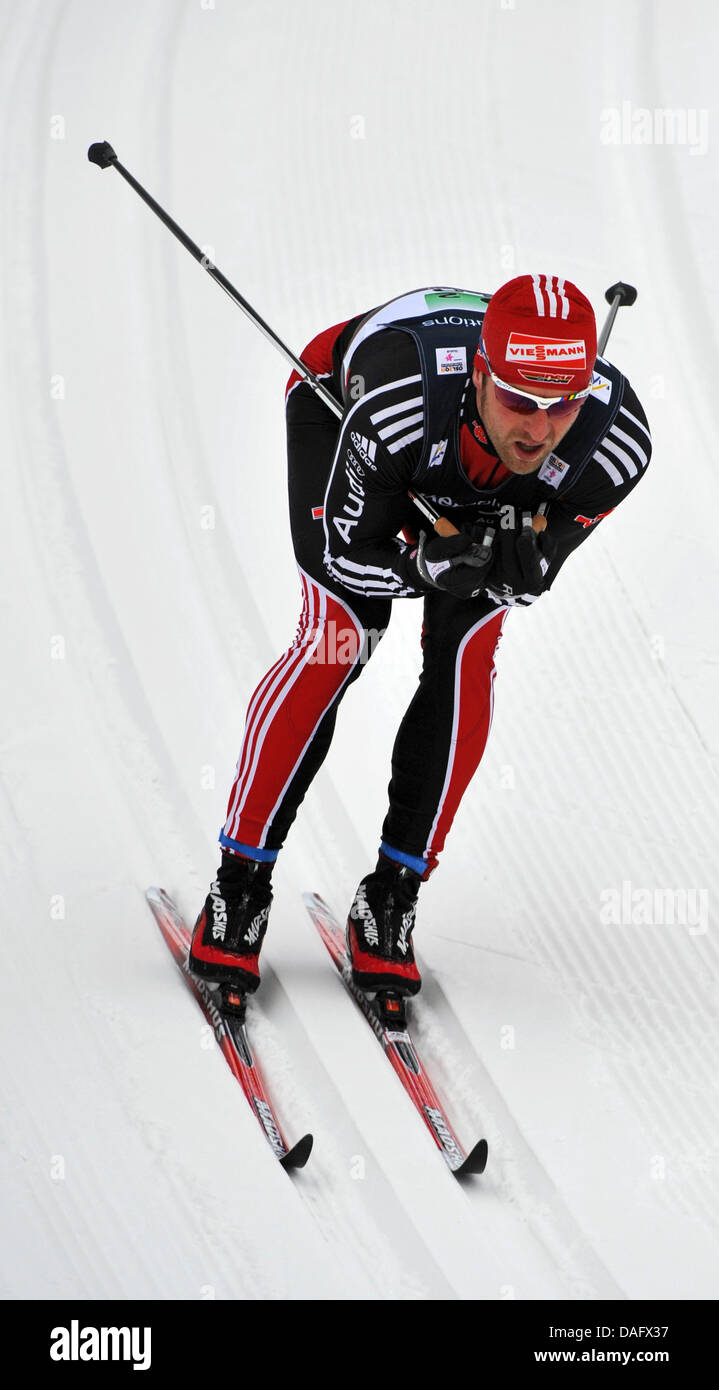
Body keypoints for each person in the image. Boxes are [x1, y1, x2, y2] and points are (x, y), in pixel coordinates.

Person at [189, 275, 651, 1000]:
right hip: (345, 409)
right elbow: (340, 555)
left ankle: (392, 895)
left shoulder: (610, 443)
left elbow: (533, 571)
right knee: (342, 634)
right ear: (480, 372)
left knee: (466, 649)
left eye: (560, 404)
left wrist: (518, 572)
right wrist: (418, 566)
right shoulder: (396, 410)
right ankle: (238, 886)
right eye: (518, 402)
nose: (537, 428)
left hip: (461, 468)